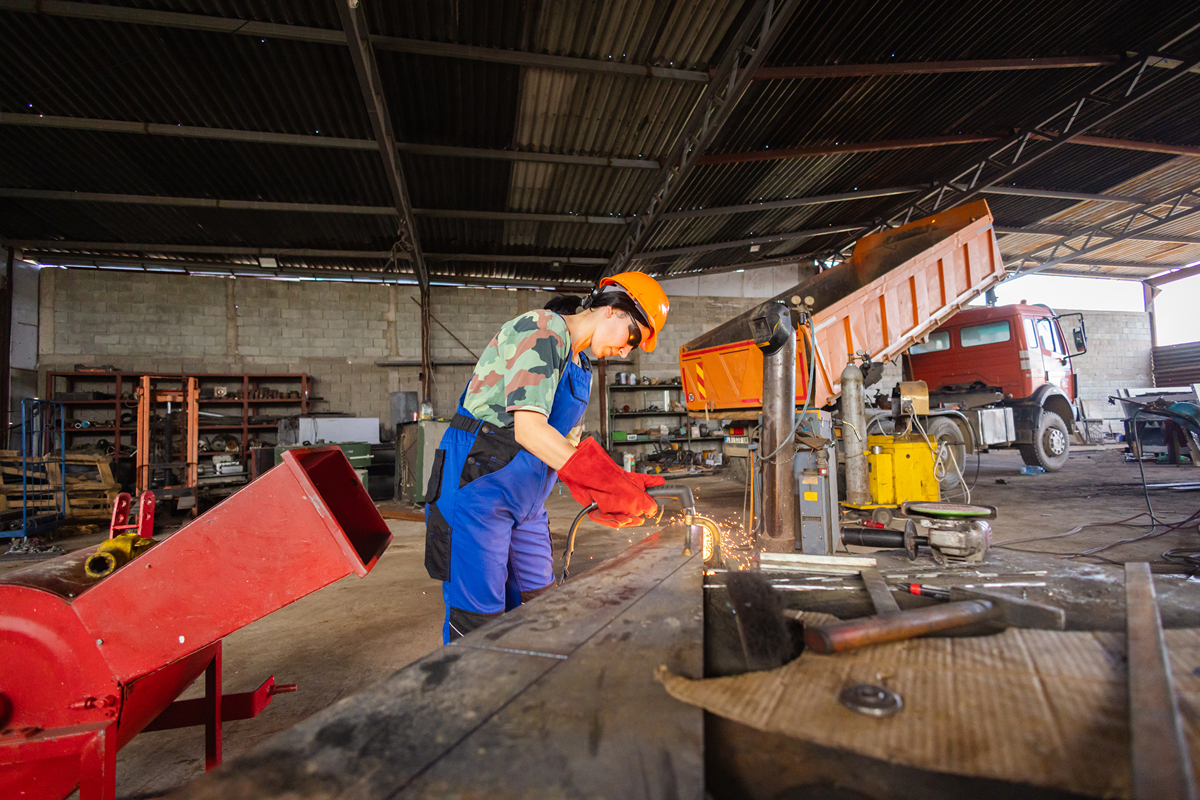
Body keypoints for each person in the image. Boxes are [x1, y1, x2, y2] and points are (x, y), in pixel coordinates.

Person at [423, 272, 670, 643]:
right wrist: (600, 481)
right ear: (613, 310)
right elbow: (529, 430)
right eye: (632, 337)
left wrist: (615, 480)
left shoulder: (580, 367)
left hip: (528, 498)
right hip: (478, 485)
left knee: (540, 605)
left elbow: (567, 445)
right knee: (479, 623)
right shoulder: (541, 330)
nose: (625, 352)